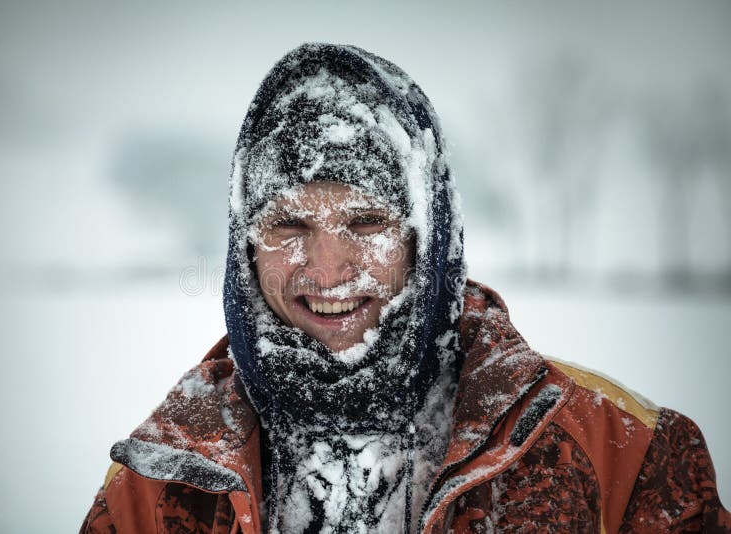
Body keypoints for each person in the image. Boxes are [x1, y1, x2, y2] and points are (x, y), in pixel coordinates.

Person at [80, 43, 730, 533]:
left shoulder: (621, 456)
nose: (328, 269)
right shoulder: (159, 480)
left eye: (367, 222)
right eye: (289, 224)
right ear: (245, 246)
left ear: (430, 237)